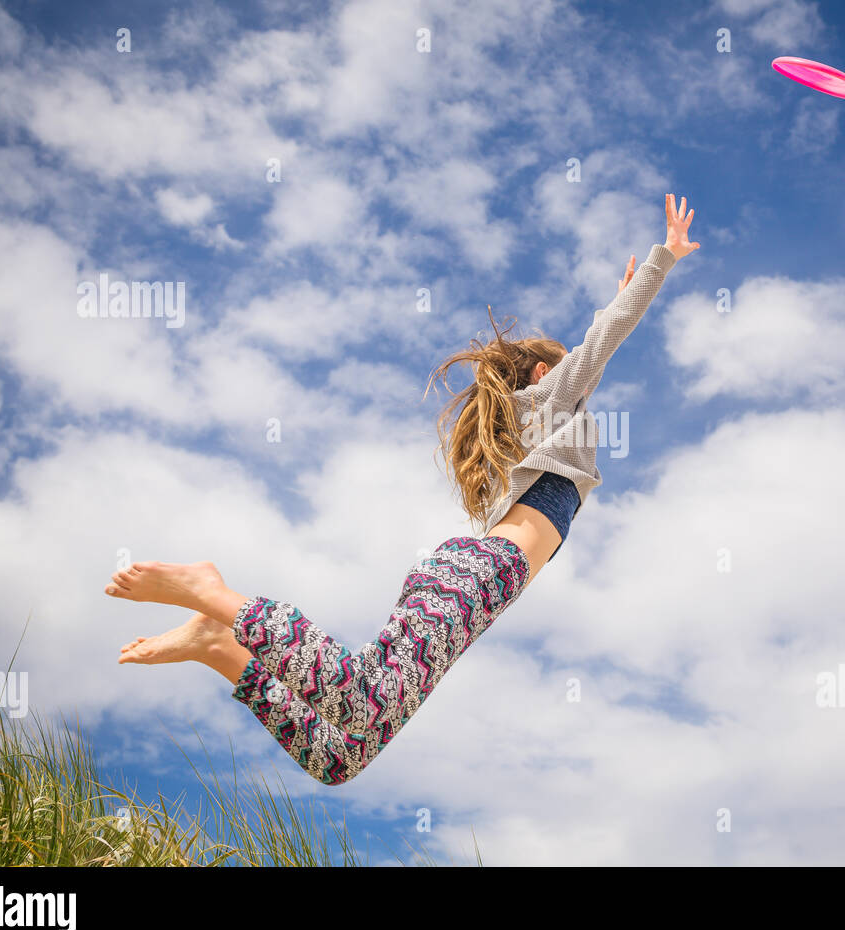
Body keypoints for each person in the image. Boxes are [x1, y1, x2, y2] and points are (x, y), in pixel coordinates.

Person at [105, 194, 700, 784]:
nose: (583, 383)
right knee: (360, 697)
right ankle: (216, 596)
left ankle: (219, 646)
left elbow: (599, 336)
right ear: (546, 376)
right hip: (479, 575)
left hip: (474, 584)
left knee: (341, 757)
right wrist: (662, 260)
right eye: (569, 371)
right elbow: (604, 340)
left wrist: (623, 294)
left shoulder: (529, 428)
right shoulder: (546, 401)